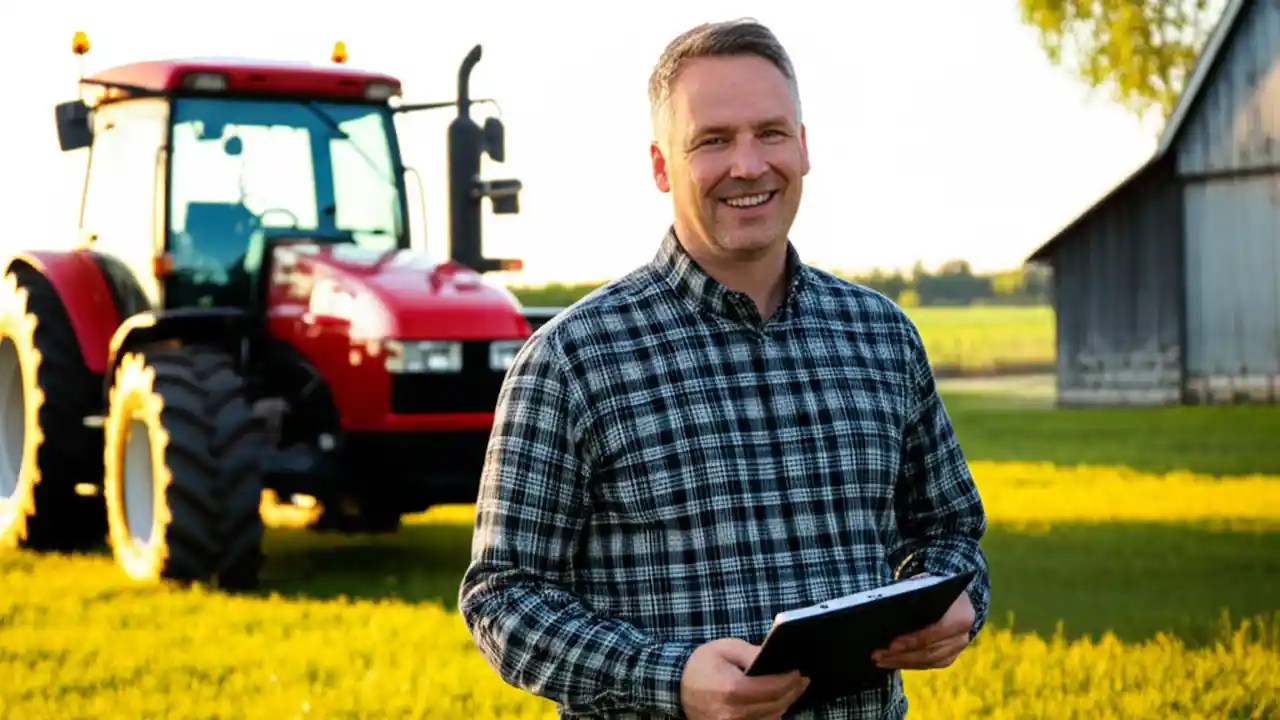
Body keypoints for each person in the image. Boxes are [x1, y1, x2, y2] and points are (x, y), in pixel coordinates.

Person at [459, 18, 990, 720]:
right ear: (660, 166)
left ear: (804, 148)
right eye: (712, 140)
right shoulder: (571, 360)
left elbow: (951, 532)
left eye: (770, 132)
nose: (747, 164)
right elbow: (504, 597)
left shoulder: (881, 337)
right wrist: (671, 677)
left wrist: (958, 599)